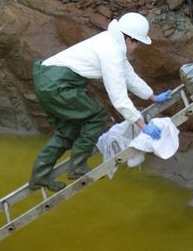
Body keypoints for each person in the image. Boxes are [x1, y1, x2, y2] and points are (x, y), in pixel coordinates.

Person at [28, 12, 172, 191]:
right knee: (97, 116)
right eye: (138, 43)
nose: (137, 47)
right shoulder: (111, 52)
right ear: (129, 40)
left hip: (48, 82)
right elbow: (119, 98)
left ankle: (39, 177)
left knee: (67, 132)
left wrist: (152, 96)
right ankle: (78, 167)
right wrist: (142, 125)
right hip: (58, 86)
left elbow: (128, 75)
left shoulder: (111, 42)